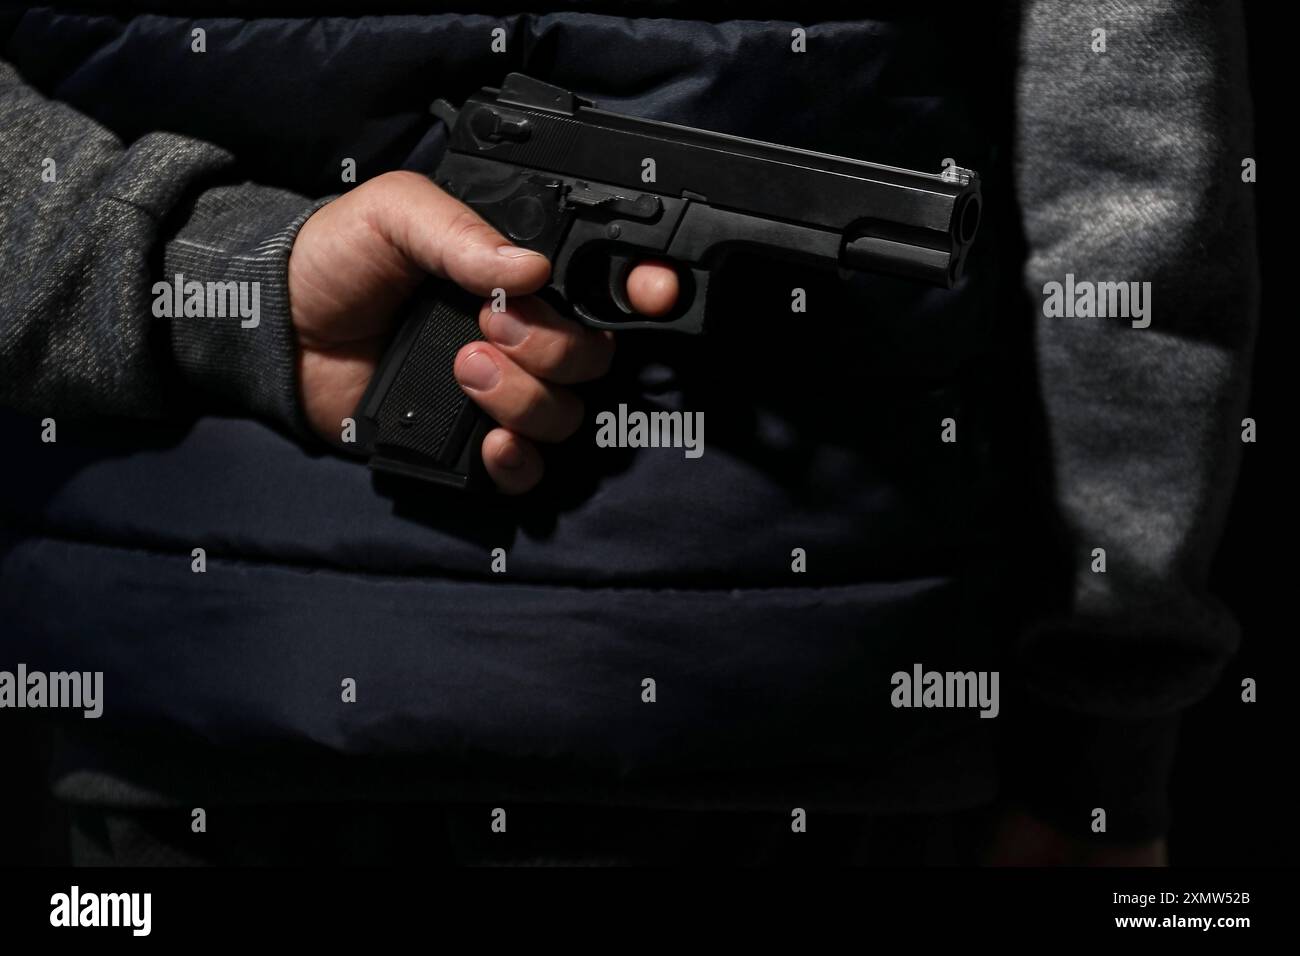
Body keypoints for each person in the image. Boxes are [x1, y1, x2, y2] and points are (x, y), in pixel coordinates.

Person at [0, 2, 1257, 865]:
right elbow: (1136, 220)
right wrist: (1106, 746)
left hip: (204, 703)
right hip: (807, 724)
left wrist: (189, 268)